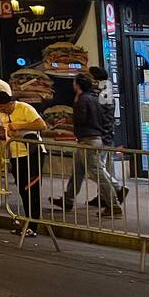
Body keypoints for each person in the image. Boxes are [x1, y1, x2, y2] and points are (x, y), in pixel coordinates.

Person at [50, 74, 121, 214]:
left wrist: (69, 122)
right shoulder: (94, 99)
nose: (73, 84)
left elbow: (81, 120)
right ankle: (68, 199)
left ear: (77, 85)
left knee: (97, 173)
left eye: (74, 82)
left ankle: (114, 205)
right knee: (77, 171)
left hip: (88, 140)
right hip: (92, 139)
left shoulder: (82, 100)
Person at [0, 90, 47, 237]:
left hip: (32, 153)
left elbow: (41, 125)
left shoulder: (25, 108)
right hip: (16, 155)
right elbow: (3, 130)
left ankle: (33, 226)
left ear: (11, 103)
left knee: (32, 190)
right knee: (23, 191)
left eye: (5, 108)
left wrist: (17, 126)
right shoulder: (2, 113)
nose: (3, 111)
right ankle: (27, 223)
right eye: (0, 109)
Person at [85, 66, 126, 205]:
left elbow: (104, 116)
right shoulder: (104, 90)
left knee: (98, 168)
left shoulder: (103, 93)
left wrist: (102, 135)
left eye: (88, 76)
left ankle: (117, 190)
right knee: (103, 168)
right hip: (105, 135)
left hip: (102, 136)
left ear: (95, 78)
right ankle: (103, 196)